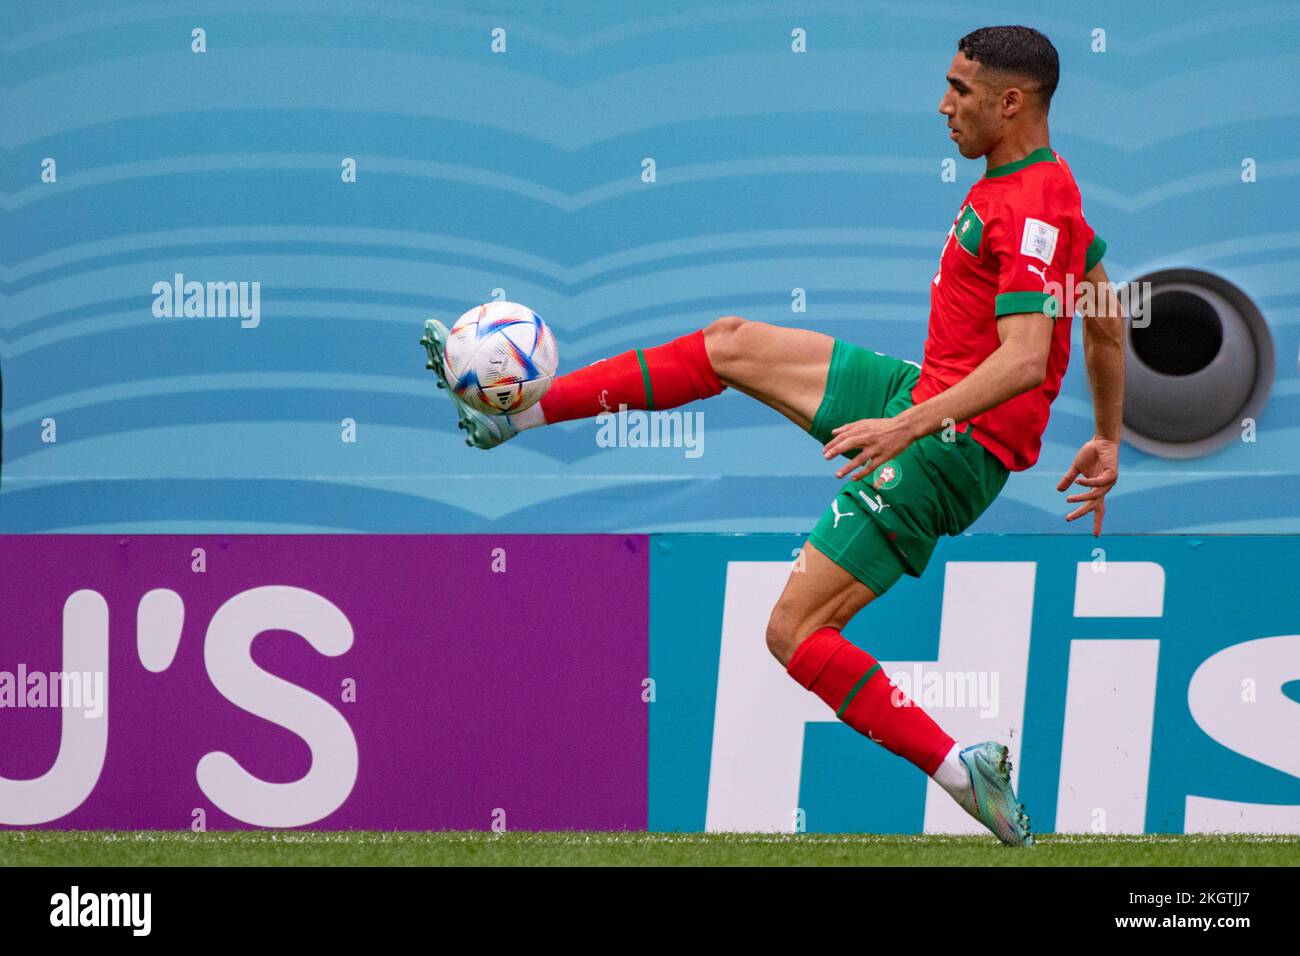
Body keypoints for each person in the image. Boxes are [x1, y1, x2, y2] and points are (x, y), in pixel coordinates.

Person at [421, 25, 1124, 846]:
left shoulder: (1035, 203)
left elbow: (1025, 357)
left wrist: (905, 426)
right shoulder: (1047, 187)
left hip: (948, 447)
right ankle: (515, 415)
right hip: (927, 398)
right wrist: (1108, 437)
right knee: (730, 344)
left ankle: (965, 775)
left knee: (793, 634)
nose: (943, 106)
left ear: (1011, 101)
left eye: (959, 90)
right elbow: (1105, 319)